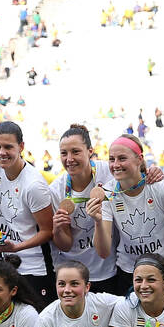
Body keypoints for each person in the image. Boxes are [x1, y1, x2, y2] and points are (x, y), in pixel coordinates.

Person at [92, 133, 164, 294]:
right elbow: (103, 252)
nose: (116, 164)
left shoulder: (161, 188)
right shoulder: (108, 193)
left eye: (122, 158)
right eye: (112, 159)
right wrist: (97, 221)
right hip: (129, 272)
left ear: (139, 159)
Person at [0, 121, 56, 300]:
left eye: (8, 147)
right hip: (8, 264)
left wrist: (17, 247)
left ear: (21, 147)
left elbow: (48, 231)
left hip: (35, 267)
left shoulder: (33, 185)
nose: (2, 153)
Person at [50, 124, 116, 293]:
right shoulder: (57, 190)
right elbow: (65, 245)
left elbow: (134, 171)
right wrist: (57, 229)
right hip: (72, 274)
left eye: (76, 151)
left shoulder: (108, 172)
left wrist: (150, 171)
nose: (69, 159)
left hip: (107, 270)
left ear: (90, 151)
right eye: (64, 153)